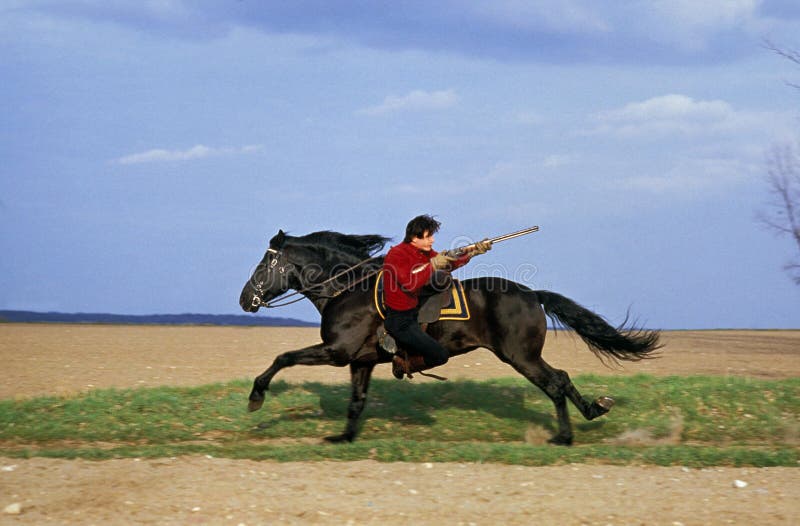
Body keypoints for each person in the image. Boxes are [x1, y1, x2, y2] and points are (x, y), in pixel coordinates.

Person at [382, 214, 491, 379]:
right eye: (428, 237)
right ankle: (402, 365)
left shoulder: (423, 252)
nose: (432, 240)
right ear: (414, 238)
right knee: (440, 356)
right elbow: (410, 284)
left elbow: (448, 262)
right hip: (400, 320)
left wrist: (472, 252)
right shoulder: (396, 255)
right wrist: (433, 265)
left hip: (413, 313)